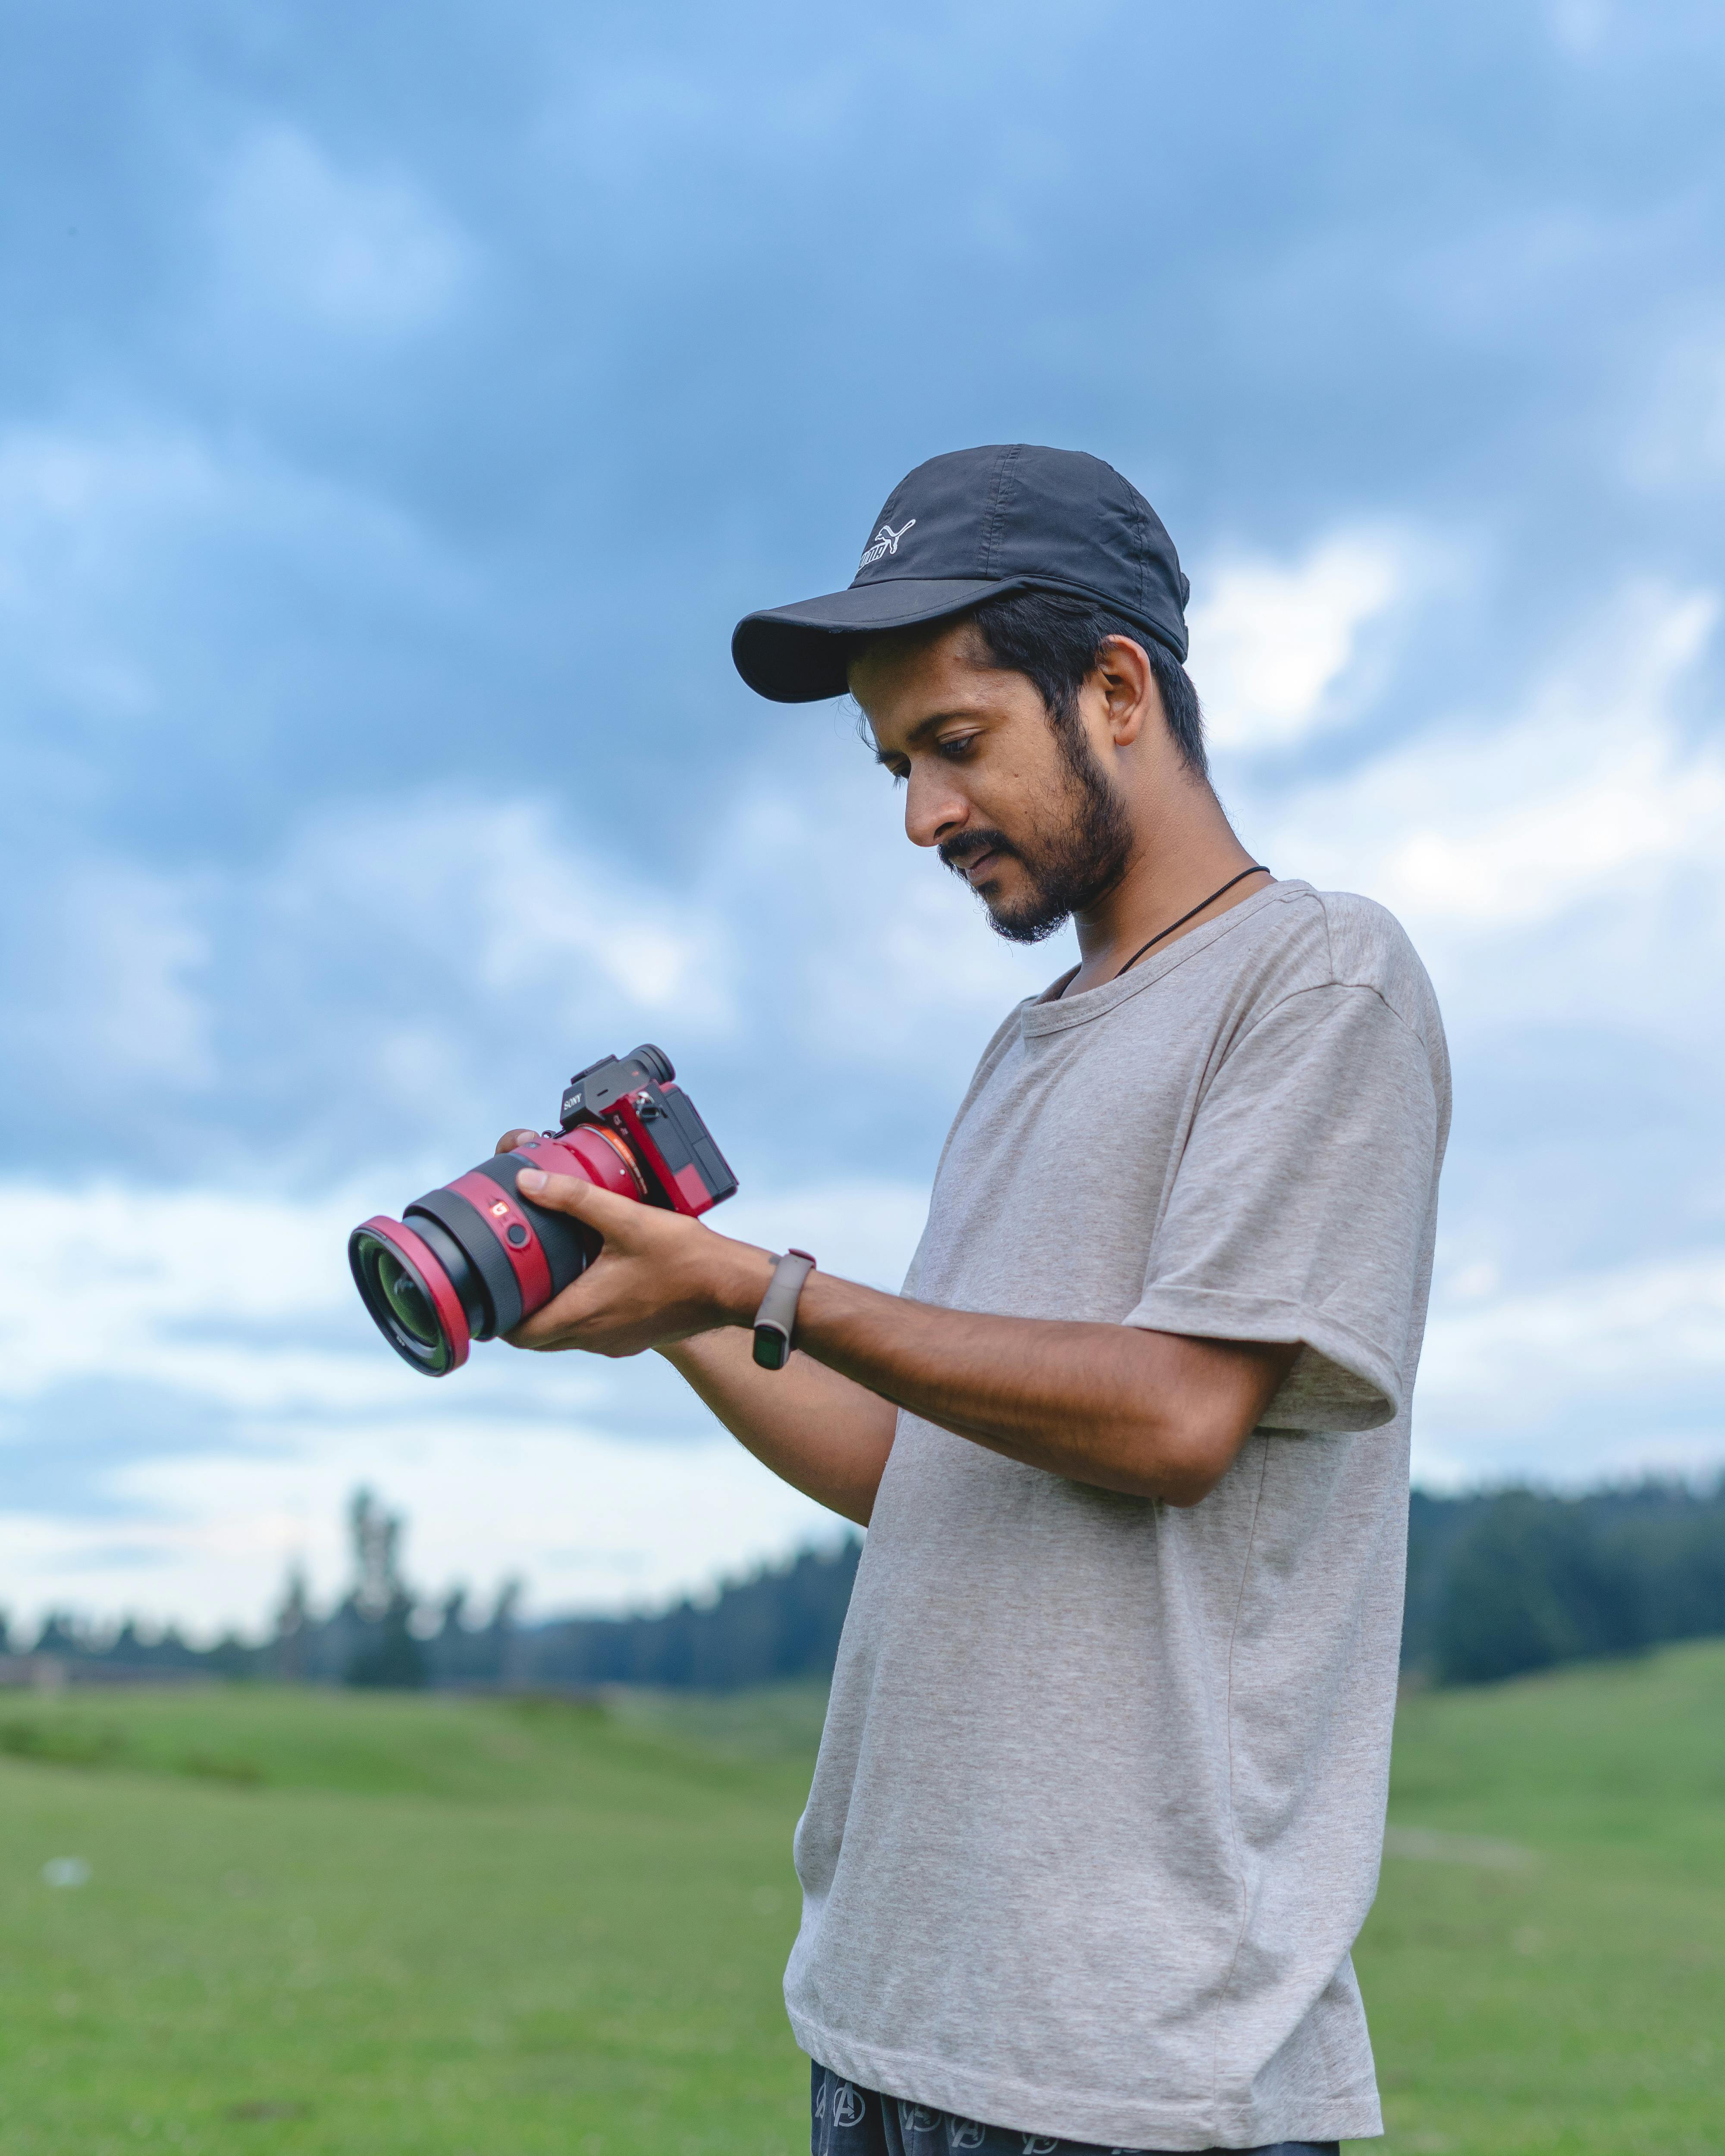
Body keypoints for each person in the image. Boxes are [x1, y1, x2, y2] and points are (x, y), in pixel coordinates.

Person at [497, 445, 1450, 2156]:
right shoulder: (1021, 1052)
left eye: (953, 743)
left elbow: (1174, 1415)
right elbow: (912, 1463)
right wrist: (681, 1309)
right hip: (888, 2019)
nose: (921, 814)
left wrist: (758, 1276)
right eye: (894, 766)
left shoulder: (1321, 975)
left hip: (1137, 2072)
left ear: (1113, 688)